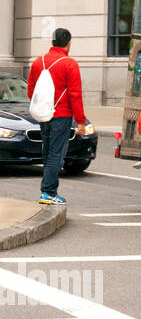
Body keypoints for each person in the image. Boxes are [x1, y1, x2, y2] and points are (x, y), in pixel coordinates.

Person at [27, 28, 91, 206]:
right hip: (61, 114)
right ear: (69, 43)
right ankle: (48, 192)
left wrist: (43, 106)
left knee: (47, 152)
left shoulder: (38, 62)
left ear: (52, 42)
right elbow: (75, 95)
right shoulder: (69, 64)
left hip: (45, 115)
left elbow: (31, 91)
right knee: (57, 154)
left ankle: (46, 191)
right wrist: (81, 121)